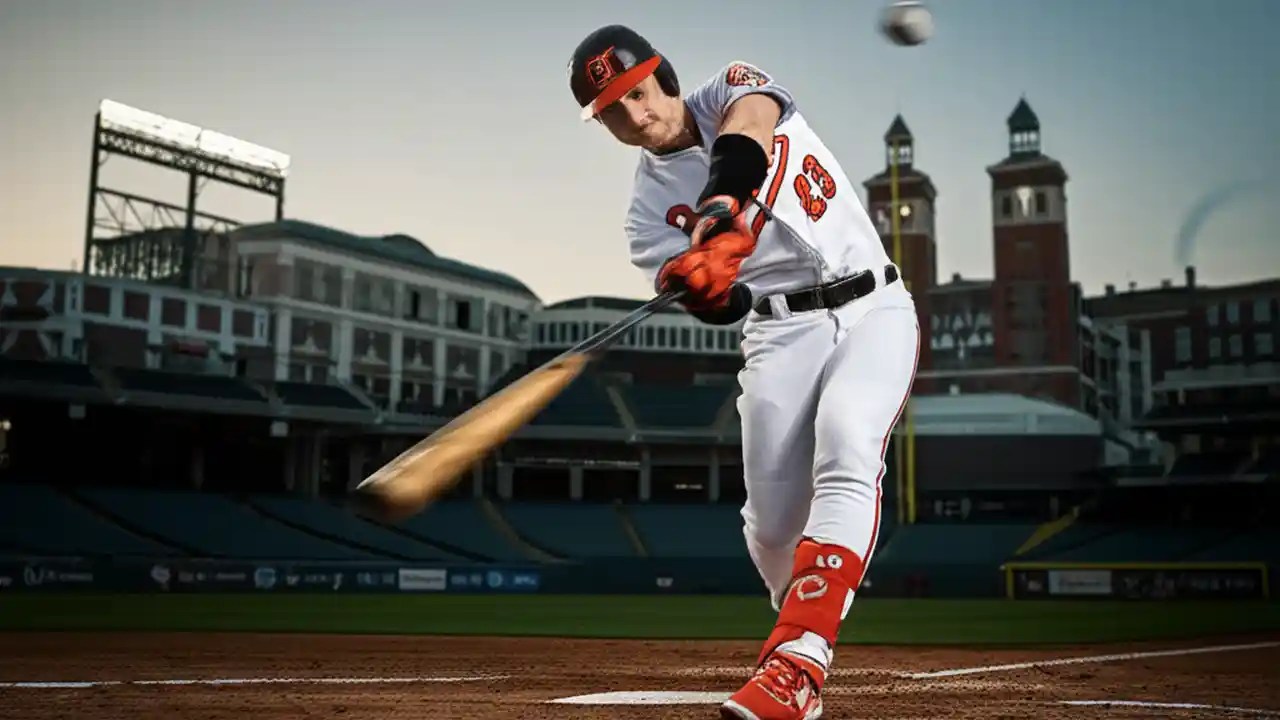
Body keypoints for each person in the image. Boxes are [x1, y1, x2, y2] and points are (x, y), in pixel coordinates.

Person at [568, 25, 921, 720]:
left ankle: (798, 662)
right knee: (768, 529)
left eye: (637, 92)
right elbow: (725, 305)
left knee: (848, 440)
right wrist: (706, 286)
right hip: (781, 334)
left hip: (872, 304)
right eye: (613, 110)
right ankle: (800, 631)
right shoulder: (645, 216)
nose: (635, 116)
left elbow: (749, 130)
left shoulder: (729, 87)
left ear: (663, 76)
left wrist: (723, 209)